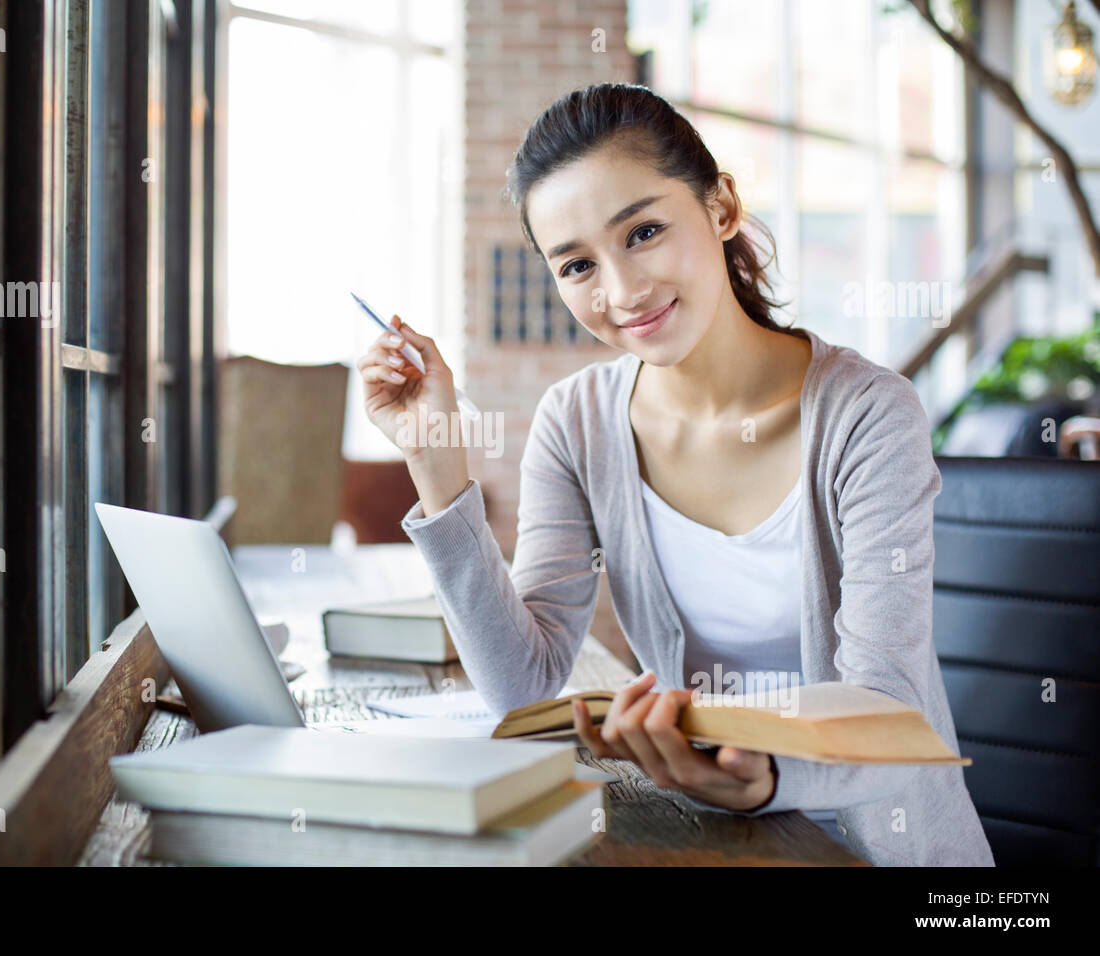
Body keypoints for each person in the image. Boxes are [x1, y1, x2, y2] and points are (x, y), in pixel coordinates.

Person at [356, 82, 993, 867]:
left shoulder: (868, 414)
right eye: (578, 264)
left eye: (645, 231)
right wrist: (434, 456)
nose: (622, 293)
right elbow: (521, 687)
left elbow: (885, 710)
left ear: (721, 207)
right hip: (717, 844)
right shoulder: (577, 421)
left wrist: (752, 776)